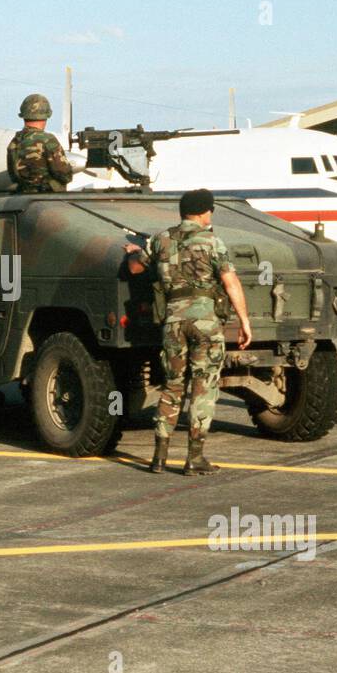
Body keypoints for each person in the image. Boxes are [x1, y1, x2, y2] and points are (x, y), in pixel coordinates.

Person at [125, 189, 252, 475]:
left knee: (172, 385)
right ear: (203, 212)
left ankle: (159, 456)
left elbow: (135, 269)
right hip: (205, 323)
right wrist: (244, 321)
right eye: (210, 210)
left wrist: (134, 252)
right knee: (202, 388)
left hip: (173, 323)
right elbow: (230, 282)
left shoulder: (161, 239)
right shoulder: (213, 242)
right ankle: (194, 458)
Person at [7, 93, 73, 193]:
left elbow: (13, 175)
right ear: (46, 115)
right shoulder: (47, 140)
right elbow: (64, 174)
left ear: (24, 115)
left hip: (22, 195)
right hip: (47, 196)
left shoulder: (15, 141)